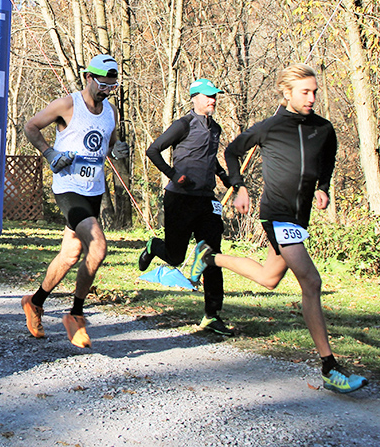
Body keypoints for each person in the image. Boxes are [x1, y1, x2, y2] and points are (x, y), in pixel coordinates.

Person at [202, 64, 367, 394]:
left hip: (299, 217)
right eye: (305, 92)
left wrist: (324, 187)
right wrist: (241, 186)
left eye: (315, 92)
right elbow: (233, 151)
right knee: (312, 280)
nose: (312, 98)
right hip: (276, 213)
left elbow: (328, 161)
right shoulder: (270, 127)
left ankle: (210, 258)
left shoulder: (323, 128)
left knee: (268, 277)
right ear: (286, 92)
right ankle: (329, 366)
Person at [20, 54, 120, 348]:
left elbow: (108, 143)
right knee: (98, 247)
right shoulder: (67, 104)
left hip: (93, 190)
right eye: (102, 84)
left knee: (70, 254)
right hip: (68, 188)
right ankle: (76, 315)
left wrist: (117, 151)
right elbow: (30, 126)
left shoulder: (109, 110)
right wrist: (50, 153)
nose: (106, 90)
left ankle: (34, 302)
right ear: (88, 77)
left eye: (111, 86)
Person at [141, 78, 232, 336]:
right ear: (195, 97)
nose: (213, 100)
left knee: (211, 256)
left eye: (215, 96)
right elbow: (153, 150)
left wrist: (224, 177)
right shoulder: (184, 124)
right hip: (180, 198)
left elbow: (210, 159)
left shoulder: (216, 128)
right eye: (208, 96)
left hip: (206, 200)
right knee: (176, 256)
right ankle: (153, 246)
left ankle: (212, 315)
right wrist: (172, 174)